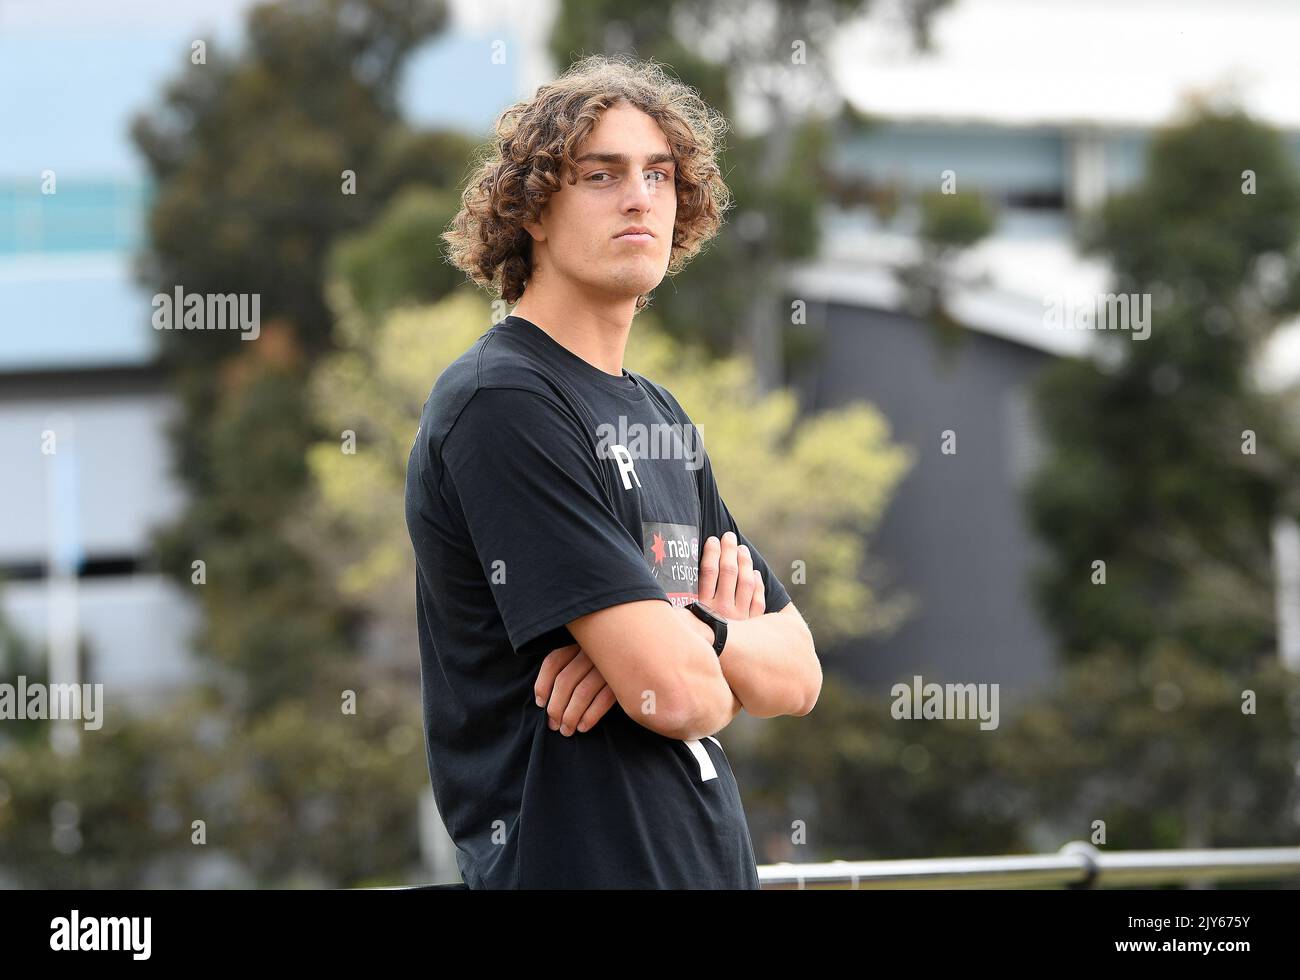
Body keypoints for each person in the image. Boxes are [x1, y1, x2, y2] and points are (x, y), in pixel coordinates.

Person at [404, 54, 821, 889]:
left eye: (659, 175)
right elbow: (681, 697)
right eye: (602, 174)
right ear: (533, 213)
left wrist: (689, 631)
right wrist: (690, 647)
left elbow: (799, 675)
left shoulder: (659, 415)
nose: (640, 197)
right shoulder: (504, 403)